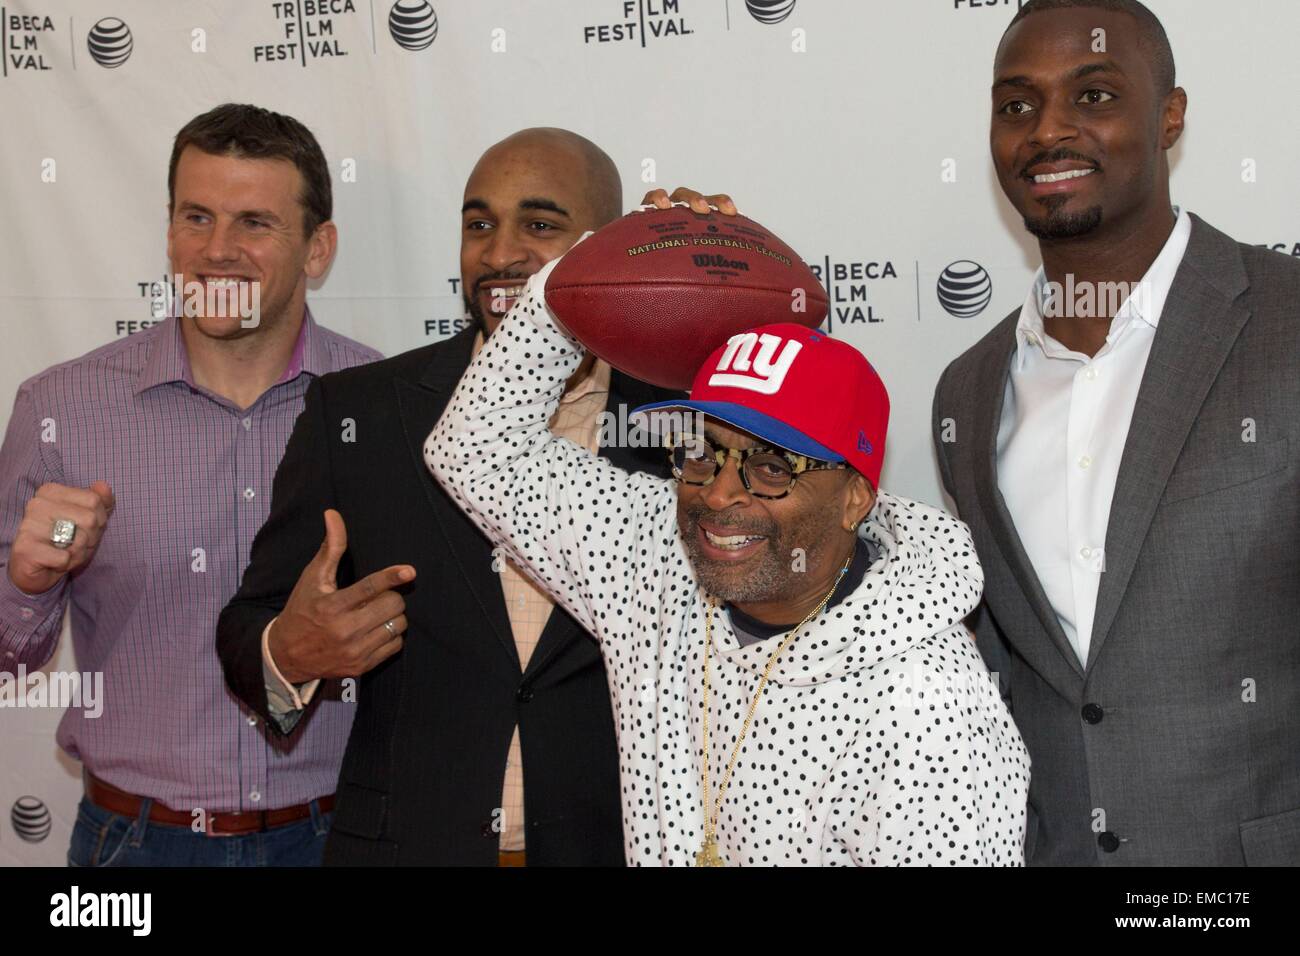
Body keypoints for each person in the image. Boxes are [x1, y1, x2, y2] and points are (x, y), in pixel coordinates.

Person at [424, 248, 1030, 866]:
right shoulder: (656, 556)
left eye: (772, 467)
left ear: (854, 499)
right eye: (702, 451)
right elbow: (476, 452)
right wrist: (597, 267)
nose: (717, 493)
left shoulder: (928, 709)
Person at [217, 130, 695, 866]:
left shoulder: (692, 421)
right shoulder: (362, 412)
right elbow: (251, 623)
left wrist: (724, 282)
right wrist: (290, 650)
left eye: (540, 226)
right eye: (479, 225)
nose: (499, 254)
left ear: (605, 245)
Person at [933, 0, 1300, 865]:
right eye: (1016, 105)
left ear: (1170, 115)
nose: (1047, 131)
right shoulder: (969, 390)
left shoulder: (1285, 323)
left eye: (1093, 95)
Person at [0, 103, 381, 866]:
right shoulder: (59, 409)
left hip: (339, 840)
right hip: (131, 845)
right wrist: (28, 582)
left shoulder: (389, 407)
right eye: (195, 217)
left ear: (318, 248)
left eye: (254, 224)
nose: (218, 251)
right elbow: (8, 660)